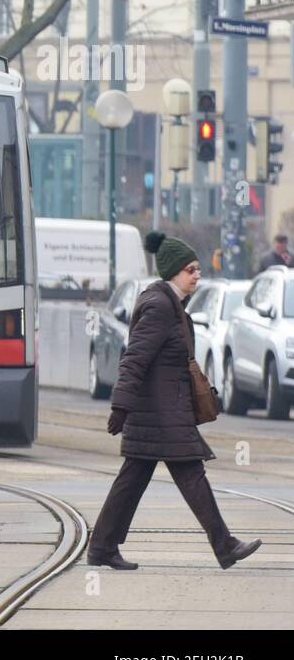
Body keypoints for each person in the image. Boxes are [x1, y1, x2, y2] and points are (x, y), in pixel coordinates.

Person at [87, 231, 261, 571]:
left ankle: (102, 547)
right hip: (162, 414)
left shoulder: (170, 305)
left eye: (197, 269)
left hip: (160, 412)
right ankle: (225, 546)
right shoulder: (159, 307)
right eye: (191, 270)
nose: (198, 275)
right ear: (173, 272)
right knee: (191, 475)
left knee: (133, 479)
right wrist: (120, 406)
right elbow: (134, 358)